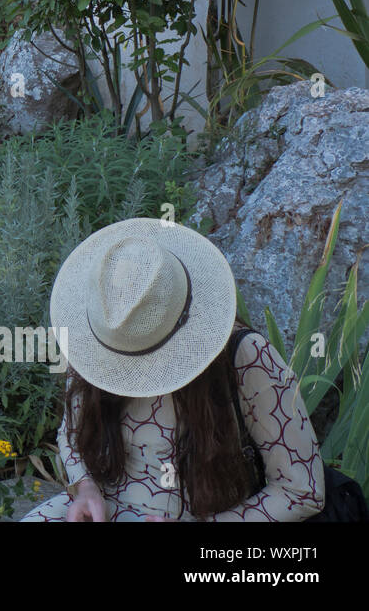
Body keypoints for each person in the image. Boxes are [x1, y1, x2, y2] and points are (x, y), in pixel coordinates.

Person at [22, 218, 324, 522]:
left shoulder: (245, 356)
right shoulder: (99, 339)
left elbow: (301, 490)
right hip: (101, 508)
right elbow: (70, 431)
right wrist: (84, 488)